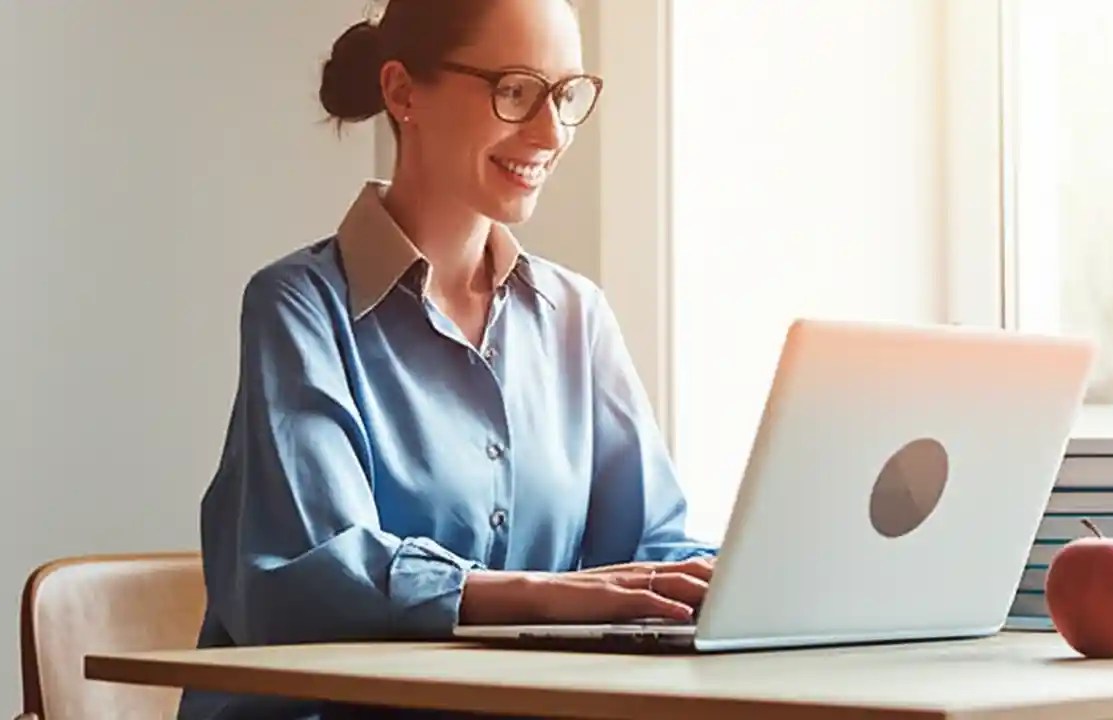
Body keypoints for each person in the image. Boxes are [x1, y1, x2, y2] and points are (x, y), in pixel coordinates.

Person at [177, 0, 717, 717]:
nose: (551, 133)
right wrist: (540, 595)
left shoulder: (576, 315)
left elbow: (656, 551)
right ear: (403, 92)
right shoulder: (299, 306)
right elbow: (314, 574)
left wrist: (745, 584)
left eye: (565, 95)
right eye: (515, 91)